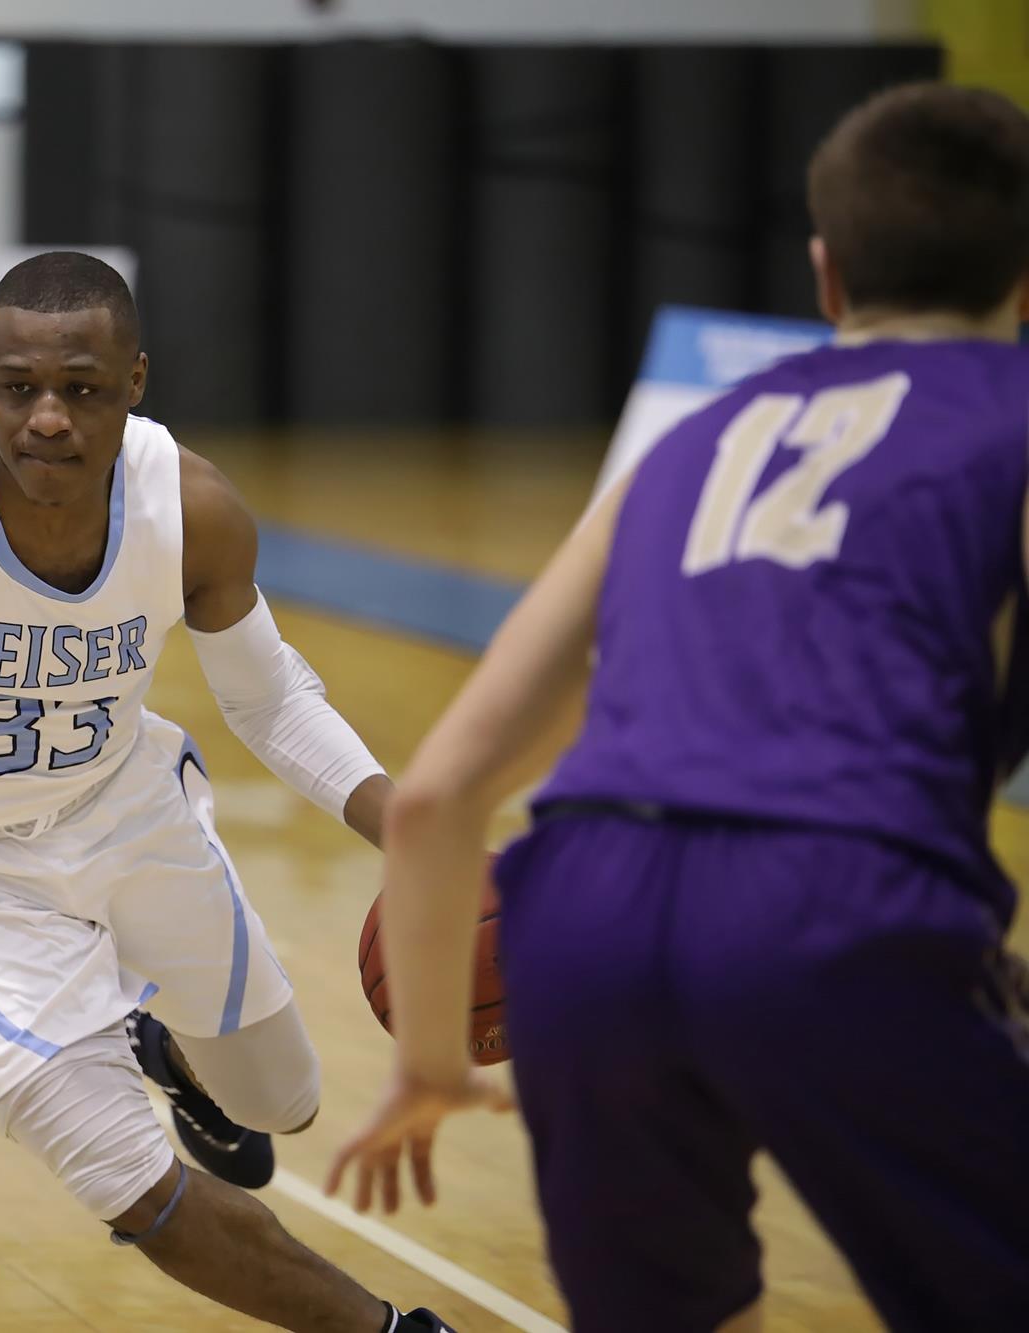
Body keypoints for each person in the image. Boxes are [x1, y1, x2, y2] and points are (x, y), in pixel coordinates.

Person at [326, 82, 1029, 1333]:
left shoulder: (688, 443)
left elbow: (435, 796)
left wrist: (430, 1061)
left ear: (824, 275)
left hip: (582, 924)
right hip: (834, 900)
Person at [0, 251, 453, 1332]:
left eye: (79, 389)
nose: (44, 418)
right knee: (127, 1179)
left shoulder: (193, 511)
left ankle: (166, 1048)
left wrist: (409, 830)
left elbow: (271, 705)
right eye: (15, 389)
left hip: (125, 809)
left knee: (280, 1100)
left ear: (134, 381)